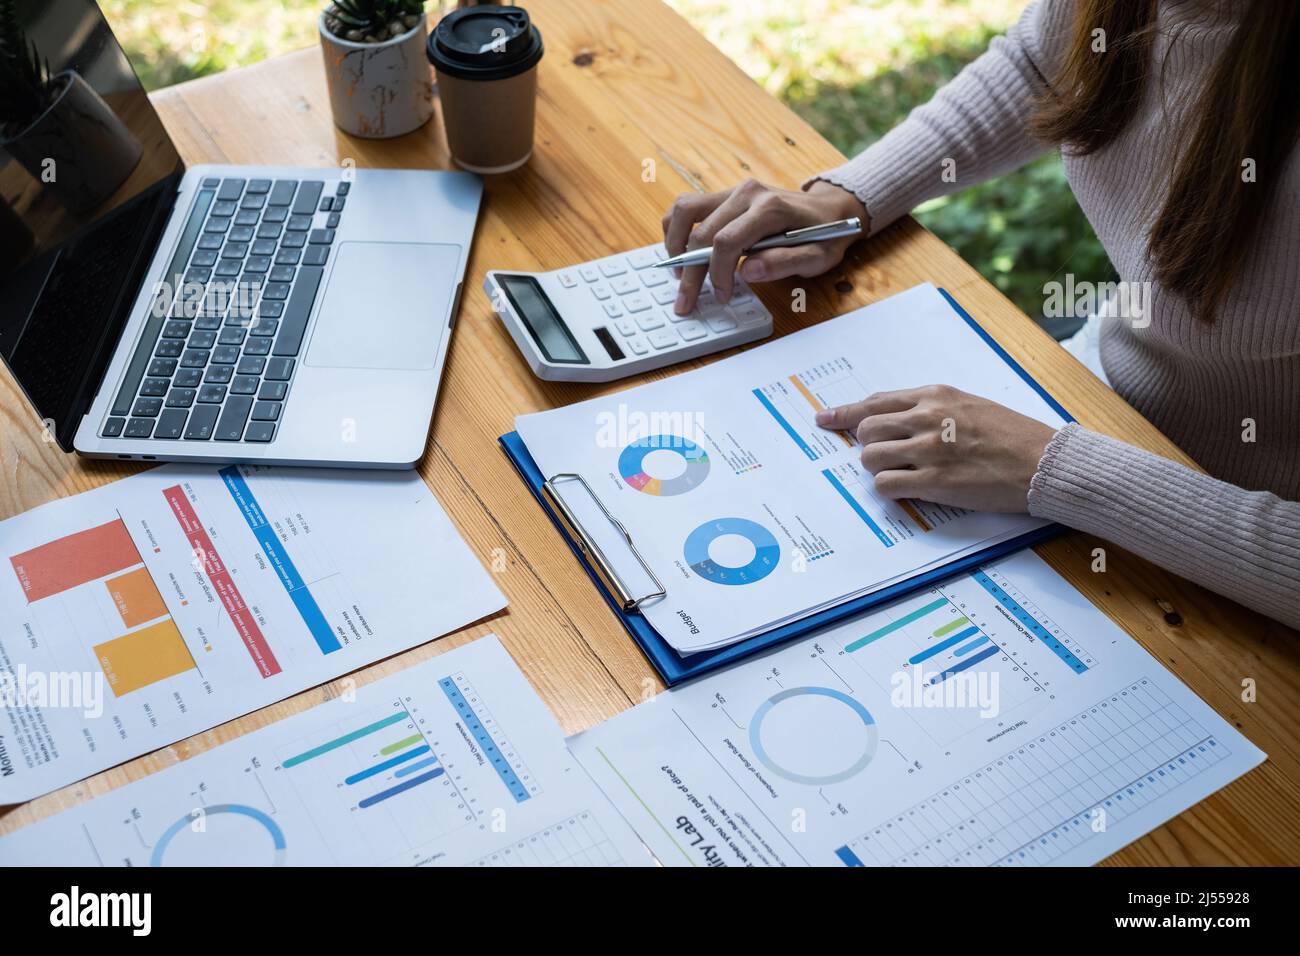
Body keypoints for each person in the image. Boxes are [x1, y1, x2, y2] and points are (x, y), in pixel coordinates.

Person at [661, 0, 1299, 630]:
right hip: (1098, 399)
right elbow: (1039, 64)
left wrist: (1057, 469)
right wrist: (847, 200)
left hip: (1230, 537)